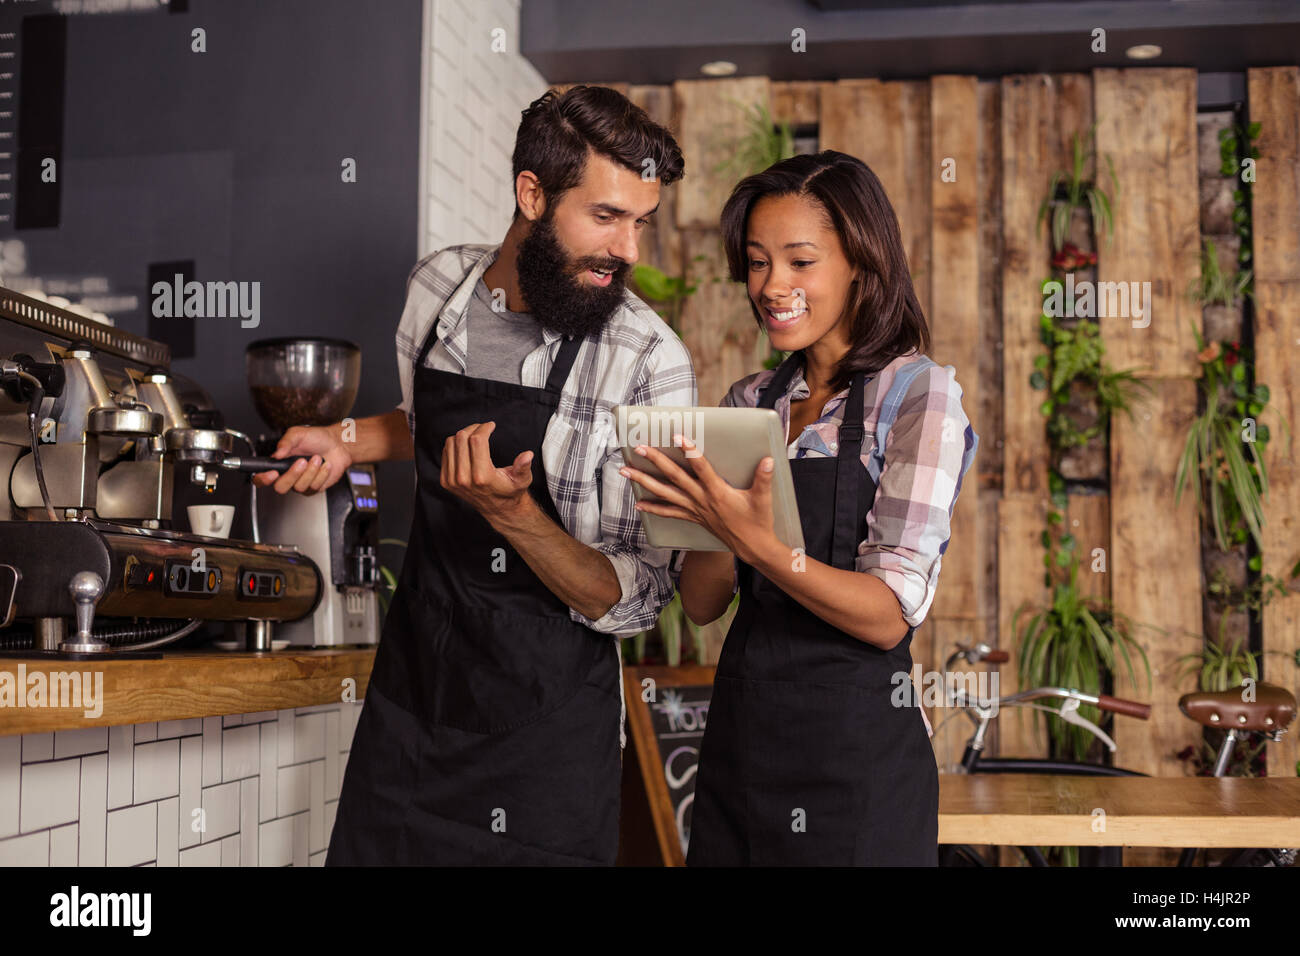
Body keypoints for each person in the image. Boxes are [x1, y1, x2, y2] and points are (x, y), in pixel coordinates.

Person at [253, 85, 695, 864]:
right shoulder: (438, 290)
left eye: (640, 222)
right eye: (605, 216)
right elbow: (425, 421)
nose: (629, 250)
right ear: (532, 194)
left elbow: (642, 599)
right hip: (412, 709)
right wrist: (348, 439)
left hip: (545, 747)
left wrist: (515, 518)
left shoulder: (649, 362)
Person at [620, 150, 978, 865]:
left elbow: (884, 617)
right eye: (757, 262)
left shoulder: (918, 396)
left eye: (799, 262)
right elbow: (699, 603)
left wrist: (755, 540)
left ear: (861, 265)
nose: (772, 286)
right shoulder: (750, 403)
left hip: (858, 768)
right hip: (744, 754)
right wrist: (706, 514)